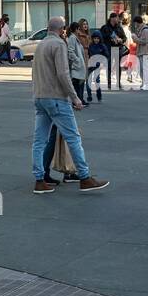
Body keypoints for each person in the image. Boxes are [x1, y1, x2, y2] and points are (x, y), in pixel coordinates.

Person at [31, 17, 109, 194]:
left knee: (39, 140)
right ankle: (84, 177)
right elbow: (63, 74)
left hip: (40, 97)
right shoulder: (58, 45)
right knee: (73, 137)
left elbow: (34, 72)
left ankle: (39, 179)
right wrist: (75, 98)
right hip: (56, 98)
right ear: (62, 30)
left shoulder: (41, 45)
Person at [98, 14, 125, 92]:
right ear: (112, 18)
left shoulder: (119, 27)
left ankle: (118, 83)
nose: (117, 20)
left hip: (118, 48)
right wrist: (110, 38)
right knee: (109, 65)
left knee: (118, 66)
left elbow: (124, 38)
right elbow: (101, 37)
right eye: (116, 18)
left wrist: (121, 40)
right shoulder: (105, 27)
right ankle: (109, 83)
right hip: (108, 48)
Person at [67, 17, 88, 103]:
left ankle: (80, 100)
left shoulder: (75, 37)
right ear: (76, 29)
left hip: (79, 65)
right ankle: (77, 101)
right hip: (76, 66)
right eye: (79, 29)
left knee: (79, 83)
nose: (80, 30)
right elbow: (71, 51)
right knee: (76, 84)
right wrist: (77, 60)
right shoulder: (72, 38)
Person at [87, 25, 107, 101]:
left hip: (98, 66)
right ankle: (89, 96)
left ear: (100, 38)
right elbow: (87, 54)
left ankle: (99, 95)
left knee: (97, 80)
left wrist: (103, 63)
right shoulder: (90, 46)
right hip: (90, 65)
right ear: (92, 38)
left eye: (97, 38)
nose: (96, 40)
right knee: (88, 81)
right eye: (94, 38)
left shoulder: (102, 46)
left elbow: (106, 56)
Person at [135, 16, 148, 91]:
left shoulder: (145, 30)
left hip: (146, 52)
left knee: (146, 69)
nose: (135, 25)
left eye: (135, 23)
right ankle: (144, 83)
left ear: (137, 22)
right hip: (141, 52)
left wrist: (135, 38)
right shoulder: (141, 29)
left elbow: (144, 41)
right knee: (141, 69)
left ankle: (147, 84)